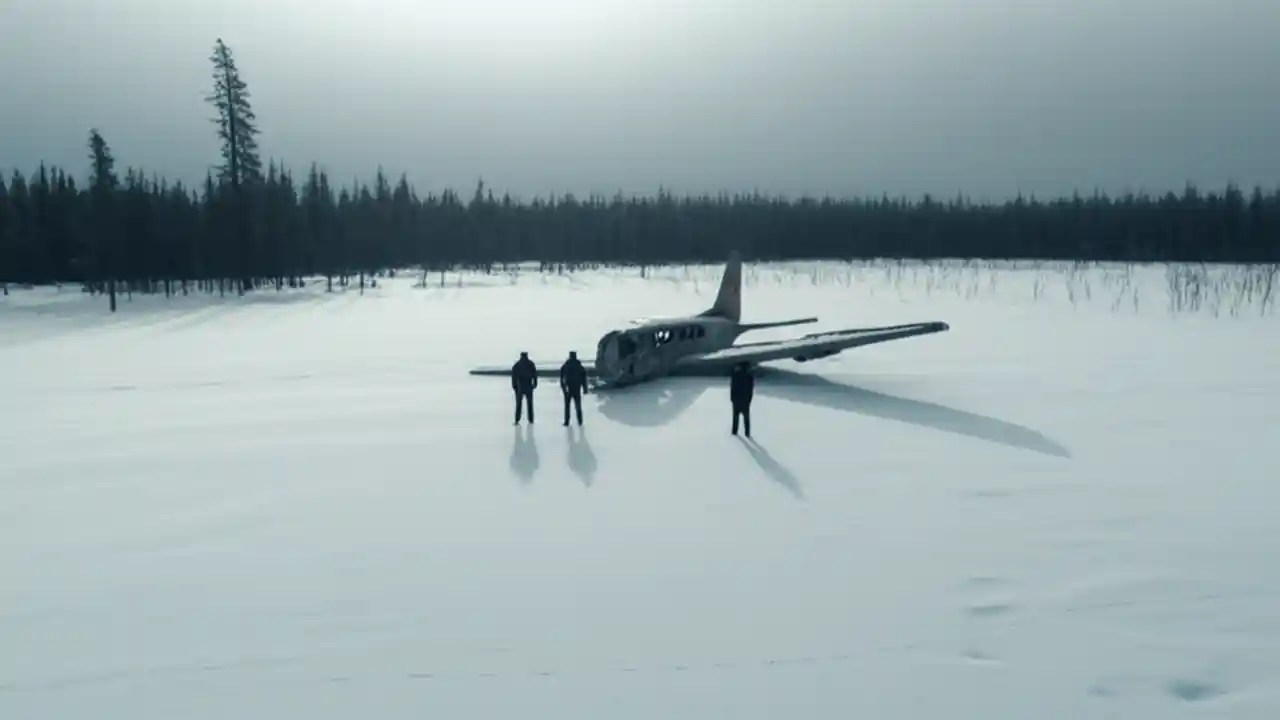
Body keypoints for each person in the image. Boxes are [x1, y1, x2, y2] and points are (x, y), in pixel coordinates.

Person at [559, 350, 589, 426]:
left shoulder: (566, 365)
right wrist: (585, 389)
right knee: (578, 406)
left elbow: (561, 377)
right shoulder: (579, 366)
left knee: (567, 406)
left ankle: (567, 421)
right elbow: (584, 378)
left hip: (568, 388)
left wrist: (563, 387)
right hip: (577, 388)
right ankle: (580, 421)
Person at [511, 351, 537, 424]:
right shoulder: (530, 364)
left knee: (519, 404)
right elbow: (534, 374)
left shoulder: (517, 364)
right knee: (530, 404)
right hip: (528, 385)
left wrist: (514, 386)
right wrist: (535, 384)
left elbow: (514, 377)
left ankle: (517, 420)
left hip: (520, 386)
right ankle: (531, 419)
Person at [730, 362, 754, 437]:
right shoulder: (749, 376)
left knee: (735, 417)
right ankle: (747, 433)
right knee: (746, 418)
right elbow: (750, 389)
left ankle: (734, 431)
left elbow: (732, 388)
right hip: (745, 399)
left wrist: (732, 398)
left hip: (737, 399)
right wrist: (749, 399)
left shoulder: (735, 375)